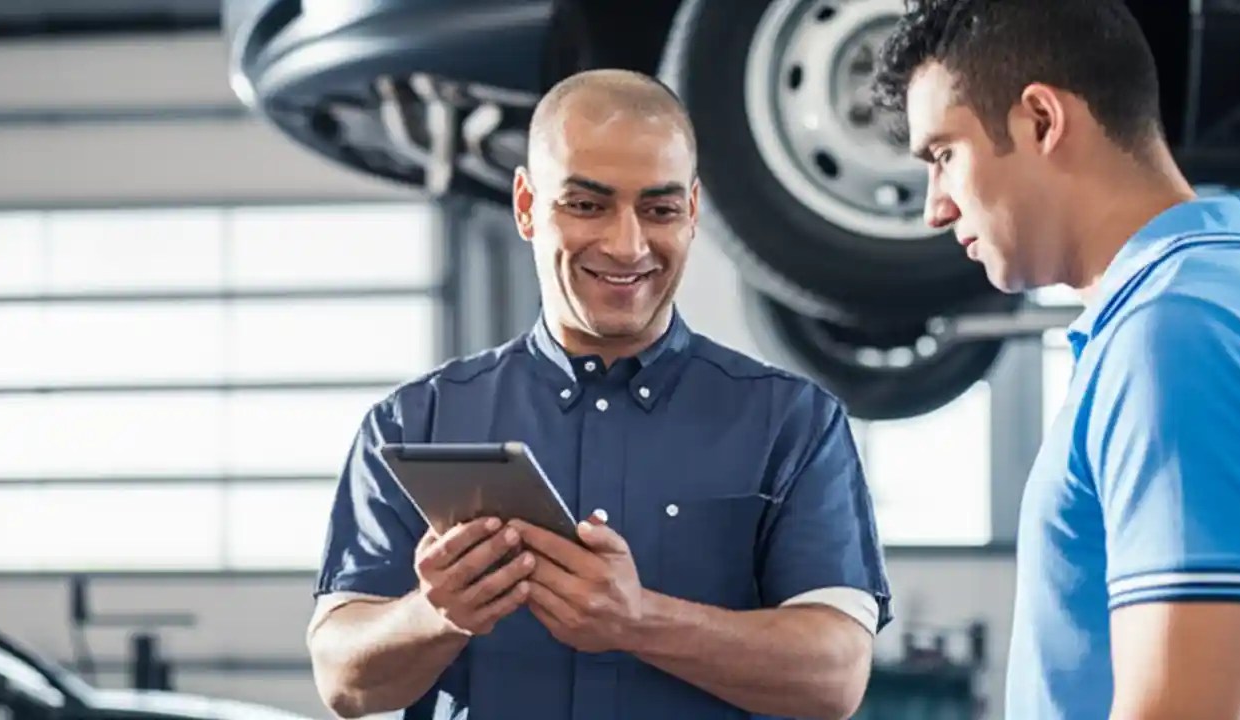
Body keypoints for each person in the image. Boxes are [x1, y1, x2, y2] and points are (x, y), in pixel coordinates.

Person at [305, 68, 892, 720]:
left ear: (693, 212)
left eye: (659, 209)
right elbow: (343, 682)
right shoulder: (416, 424)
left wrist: (639, 621)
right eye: (586, 205)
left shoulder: (794, 425)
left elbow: (834, 678)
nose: (627, 244)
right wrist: (433, 614)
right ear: (526, 206)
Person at [873, 1, 1240, 718]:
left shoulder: (1173, 331)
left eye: (944, 155)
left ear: (1042, 121)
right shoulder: (1191, 305)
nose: (935, 208)